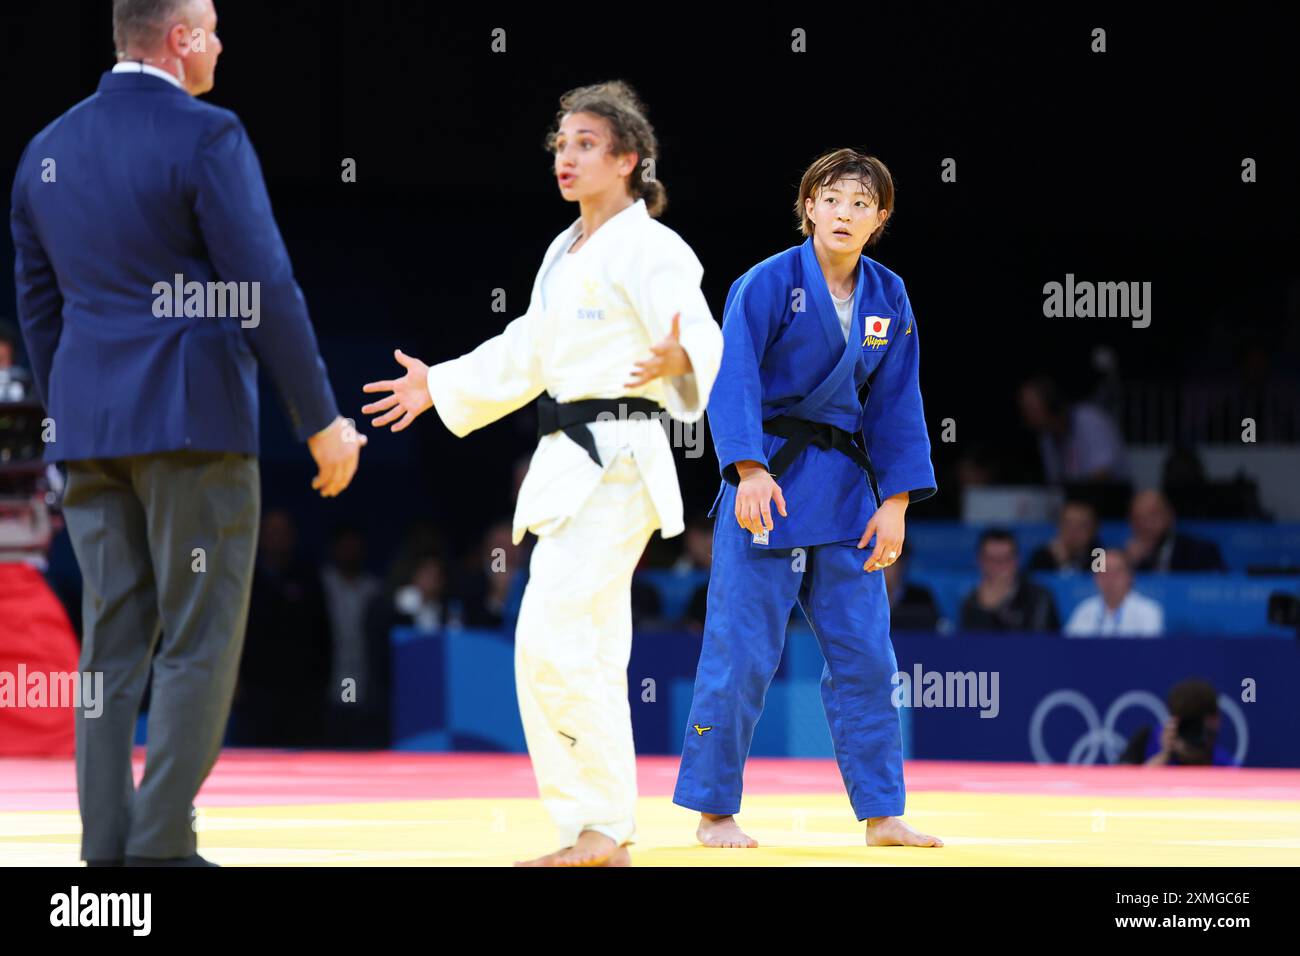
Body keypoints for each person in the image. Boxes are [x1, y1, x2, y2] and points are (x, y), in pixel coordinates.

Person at [9, 0, 364, 866]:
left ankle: (106, 848)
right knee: (200, 635)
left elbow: (39, 310)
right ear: (181, 39)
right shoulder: (207, 134)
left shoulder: (44, 151)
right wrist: (318, 420)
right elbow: (266, 286)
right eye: (210, 26)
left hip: (92, 434)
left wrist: (75, 417)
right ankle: (161, 844)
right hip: (191, 425)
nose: (222, 41)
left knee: (112, 642)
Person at [361, 81, 723, 866]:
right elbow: (528, 349)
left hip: (618, 457)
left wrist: (682, 357)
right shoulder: (566, 251)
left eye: (587, 143)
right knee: (584, 647)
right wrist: (442, 385)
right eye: (561, 143)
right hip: (573, 461)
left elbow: (696, 325)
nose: (567, 156)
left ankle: (595, 827)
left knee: (552, 638)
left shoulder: (652, 246)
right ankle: (603, 830)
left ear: (628, 159)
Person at [672, 149, 942, 850]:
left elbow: (897, 402)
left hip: (851, 499)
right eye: (832, 198)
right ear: (808, 207)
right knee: (741, 654)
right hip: (769, 492)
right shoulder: (765, 284)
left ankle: (883, 812)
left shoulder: (890, 296)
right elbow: (733, 381)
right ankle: (713, 808)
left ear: (881, 218)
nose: (844, 213)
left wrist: (900, 501)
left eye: (862, 203)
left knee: (869, 659)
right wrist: (748, 468)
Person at [1017, 376, 1127, 483]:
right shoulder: (1047, 438)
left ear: (1051, 403)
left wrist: (1075, 494)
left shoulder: (1089, 420)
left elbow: (1104, 473)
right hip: (1075, 496)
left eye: (1030, 407)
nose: (1026, 414)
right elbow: (1056, 482)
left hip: (1109, 495)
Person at [959, 529, 1059, 632]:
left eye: (1005, 559)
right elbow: (972, 644)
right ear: (980, 561)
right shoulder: (971, 602)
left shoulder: (1040, 598)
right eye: (991, 559)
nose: (998, 566)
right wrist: (985, 609)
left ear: (1016, 560)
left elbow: (1042, 642)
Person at [1062, 548, 1164, 637]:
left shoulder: (1148, 611)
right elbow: (1069, 648)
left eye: (1117, 572)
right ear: (1096, 578)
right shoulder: (1084, 610)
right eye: (1103, 572)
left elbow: (1150, 652)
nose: (1110, 578)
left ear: (1130, 576)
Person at [1125, 488, 1225, 572]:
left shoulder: (1202, 552)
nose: (1145, 524)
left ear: (1170, 516)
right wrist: (1128, 562)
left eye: (1152, 515)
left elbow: (1222, 583)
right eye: (1138, 518)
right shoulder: (1121, 556)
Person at [1025, 498, 1104, 574]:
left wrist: (1065, 563)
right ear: (1059, 526)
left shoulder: (1100, 557)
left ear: (1094, 528)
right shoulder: (1042, 557)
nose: (1074, 531)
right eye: (1068, 524)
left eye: (1082, 525)